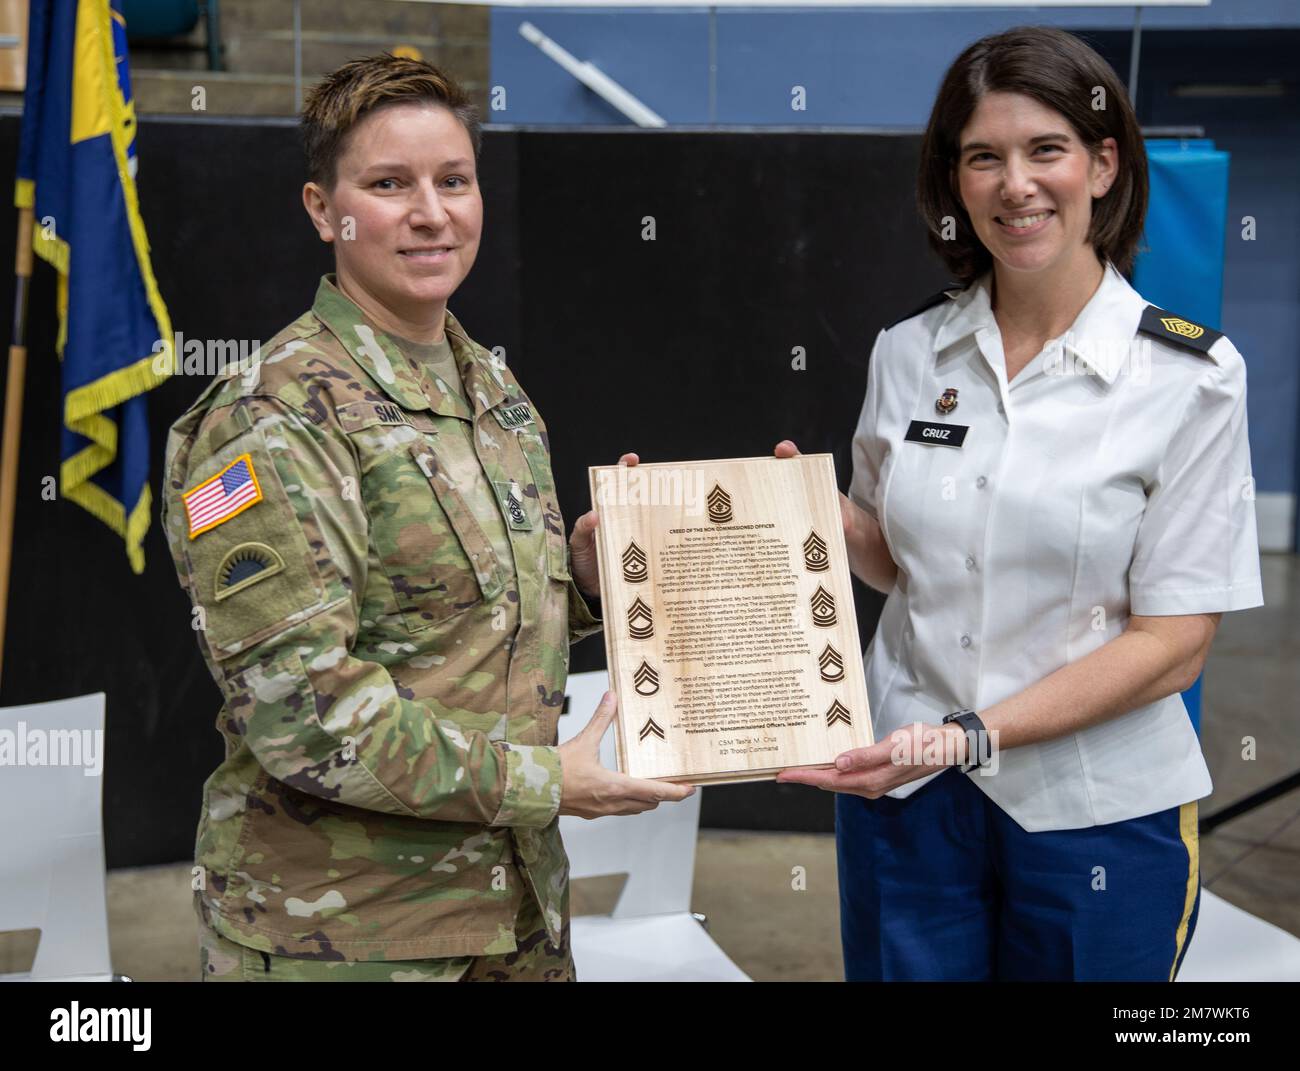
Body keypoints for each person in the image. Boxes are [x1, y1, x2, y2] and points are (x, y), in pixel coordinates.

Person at [162, 54, 691, 983]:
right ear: (325, 209)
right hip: (348, 936)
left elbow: (462, 625)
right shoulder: (271, 416)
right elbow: (305, 711)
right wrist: (546, 782)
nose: (432, 212)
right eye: (389, 184)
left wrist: (589, 584)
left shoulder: (488, 383)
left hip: (515, 909)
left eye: (454, 180)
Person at [775, 26, 1262, 981]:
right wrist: (820, 516)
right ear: (955, 183)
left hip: (1097, 813)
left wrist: (976, 735)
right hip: (907, 790)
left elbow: (1175, 642)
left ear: (1104, 163)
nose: (1016, 184)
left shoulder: (1190, 377)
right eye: (983, 158)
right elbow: (891, 561)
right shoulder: (907, 352)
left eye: (1047, 150)